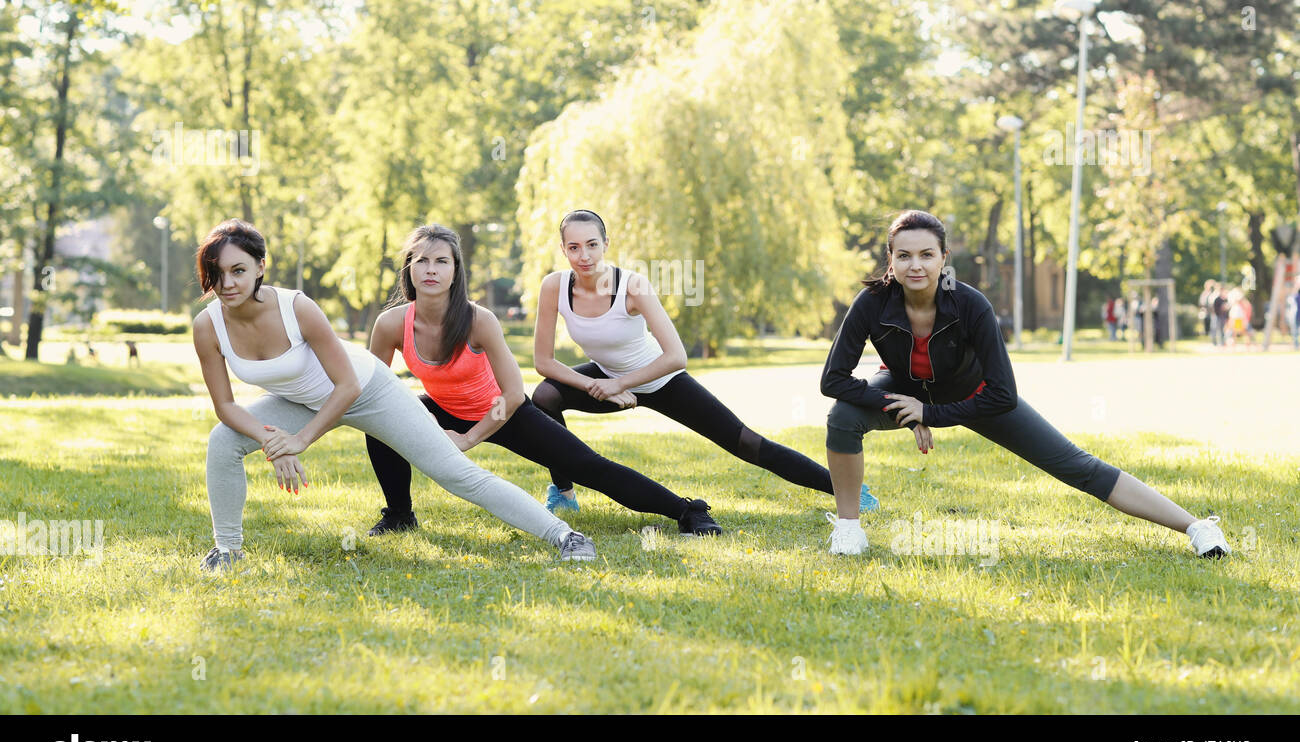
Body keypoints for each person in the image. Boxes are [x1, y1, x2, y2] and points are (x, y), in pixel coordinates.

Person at [819, 209, 1229, 559]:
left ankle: (1196, 527)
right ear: (890, 259)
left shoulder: (971, 304)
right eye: (904, 255)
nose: (916, 266)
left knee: (1077, 466)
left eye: (927, 255)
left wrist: (931, 413)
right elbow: (833, 379)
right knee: (842, 416)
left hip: (975, 394)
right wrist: (902, 408)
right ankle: (849, 527)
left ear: (944, 257)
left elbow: (1002, 393)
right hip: (905, 390)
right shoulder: (872, 303)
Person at [192, 218, 596, 573]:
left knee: (455, 473)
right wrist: (271, 440)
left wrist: (298, 441)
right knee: (223, 440)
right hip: (300, 401)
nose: (227, 284)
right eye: (218, 272)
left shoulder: (296, 307)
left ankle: (564, 536)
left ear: (261, 266)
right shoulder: (208, 325)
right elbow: (226, 406)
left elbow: (347, 385)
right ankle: (227, 551)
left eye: (238, 270)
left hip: (368, 390)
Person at [363, 223, 722, 537]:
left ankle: (687, 511)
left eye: (441, 261)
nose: (430, 269)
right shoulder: (391, 324)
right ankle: (399, 514)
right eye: (421, 261)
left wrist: (469, 437)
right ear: (408, 269)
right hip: (443, 407)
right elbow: (375, 391)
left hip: (505, 412)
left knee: (587, 466)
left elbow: (514, 392)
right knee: (380, 423)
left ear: (456, 271)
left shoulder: (479, 320)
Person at [530, 210, 879, 517]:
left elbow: (676, 356)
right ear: (563, 250)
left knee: (746, 443)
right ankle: (563, 494)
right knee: (545, 398)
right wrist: (600, 385)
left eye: (592, 244)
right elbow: (543, 361)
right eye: (573, 247)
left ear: (606, 242)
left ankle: (846, 490)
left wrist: (619, 385)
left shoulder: (632, 286)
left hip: (660, 379)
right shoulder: (554, 287)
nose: (584, 255)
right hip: (607, 378)